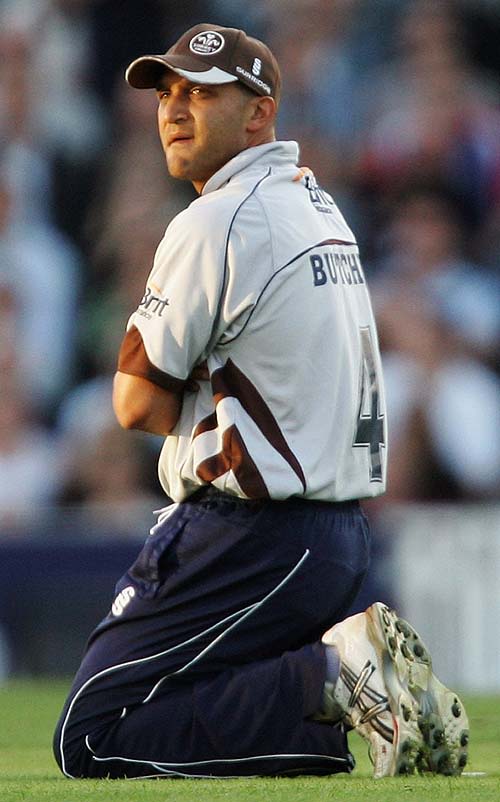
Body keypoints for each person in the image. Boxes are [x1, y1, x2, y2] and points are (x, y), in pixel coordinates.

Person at [53, 23, 468, 781]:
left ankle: (340, 678)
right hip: (336, 536)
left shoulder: (217, 216)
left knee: (92, 736)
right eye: (167, 92)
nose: (175, 109)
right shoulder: (323, 209)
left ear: (260, 114)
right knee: (200, 701)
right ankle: (361, 699)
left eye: (202, 93)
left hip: (247, 535)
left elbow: (134, 404)